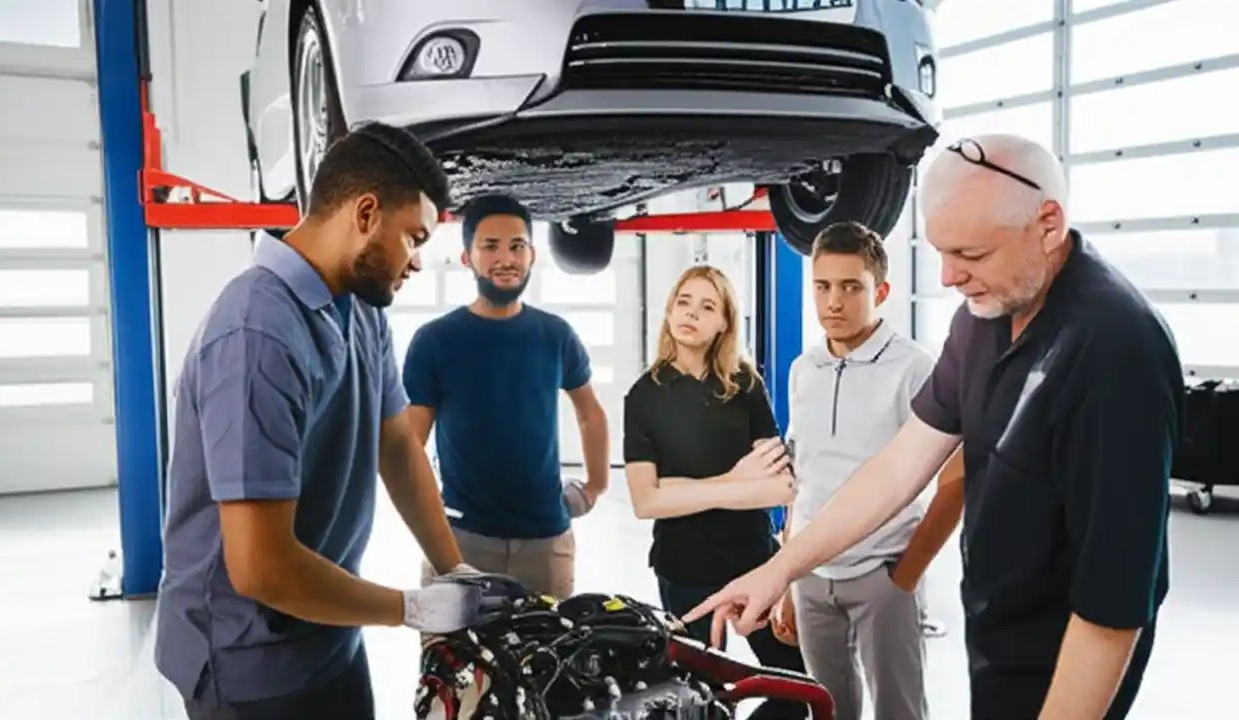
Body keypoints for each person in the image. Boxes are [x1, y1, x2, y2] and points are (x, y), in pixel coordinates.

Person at [685, 133, 1182, 720]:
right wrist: (780, 568)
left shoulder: (1116, 349)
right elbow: (900, 465)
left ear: (1048, 225)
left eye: (971, 255)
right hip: (997, 636)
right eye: (942, 252)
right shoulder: (985, 316)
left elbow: (1111, 607)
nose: (948, 277)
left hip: (1065, 660)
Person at [154, 122, 495, 720]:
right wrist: (410, 608)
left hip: (329, 632)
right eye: (413, 237)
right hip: (248, 659)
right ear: (365, 212)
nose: (416, 261)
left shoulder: (361, 309)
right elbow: (261, 567)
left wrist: (455, 570)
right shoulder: (255, 334)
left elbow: (398, 447)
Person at [768, 221, 965, 720]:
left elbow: (956, 478)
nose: (834, 301)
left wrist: (907, 572)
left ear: (880, 290)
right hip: (813, 576)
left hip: (884, 575)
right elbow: (801, 477)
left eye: (851, 287)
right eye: (823, 286)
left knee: (899, 712)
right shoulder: (802, 369)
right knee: (827, 709)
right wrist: (791, 575)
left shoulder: (916, 369)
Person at [623, 264, 807, 720]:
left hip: (755, 565)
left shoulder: (745, 386)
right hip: (685, 574)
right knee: (698, 704)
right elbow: (646, 501)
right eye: (684, 302)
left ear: (724, 321)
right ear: (668, 312)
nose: (691, 314)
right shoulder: (643, 396)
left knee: (796, 693)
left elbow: (781, 487)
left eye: (708, 306)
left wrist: (683, 490)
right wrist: (737, 482)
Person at [404, 193, 610, 600]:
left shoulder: (555, 335)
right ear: (467, 258)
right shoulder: (435, 341)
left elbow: (590, 414)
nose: (506, 259)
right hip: (462, 539)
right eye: (490, 246)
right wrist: (433, 529)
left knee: (550, 657)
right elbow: (409, 445)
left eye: (517, 246)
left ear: (532, 255)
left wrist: (596, 485)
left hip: (546, 541)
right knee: (454, 661)